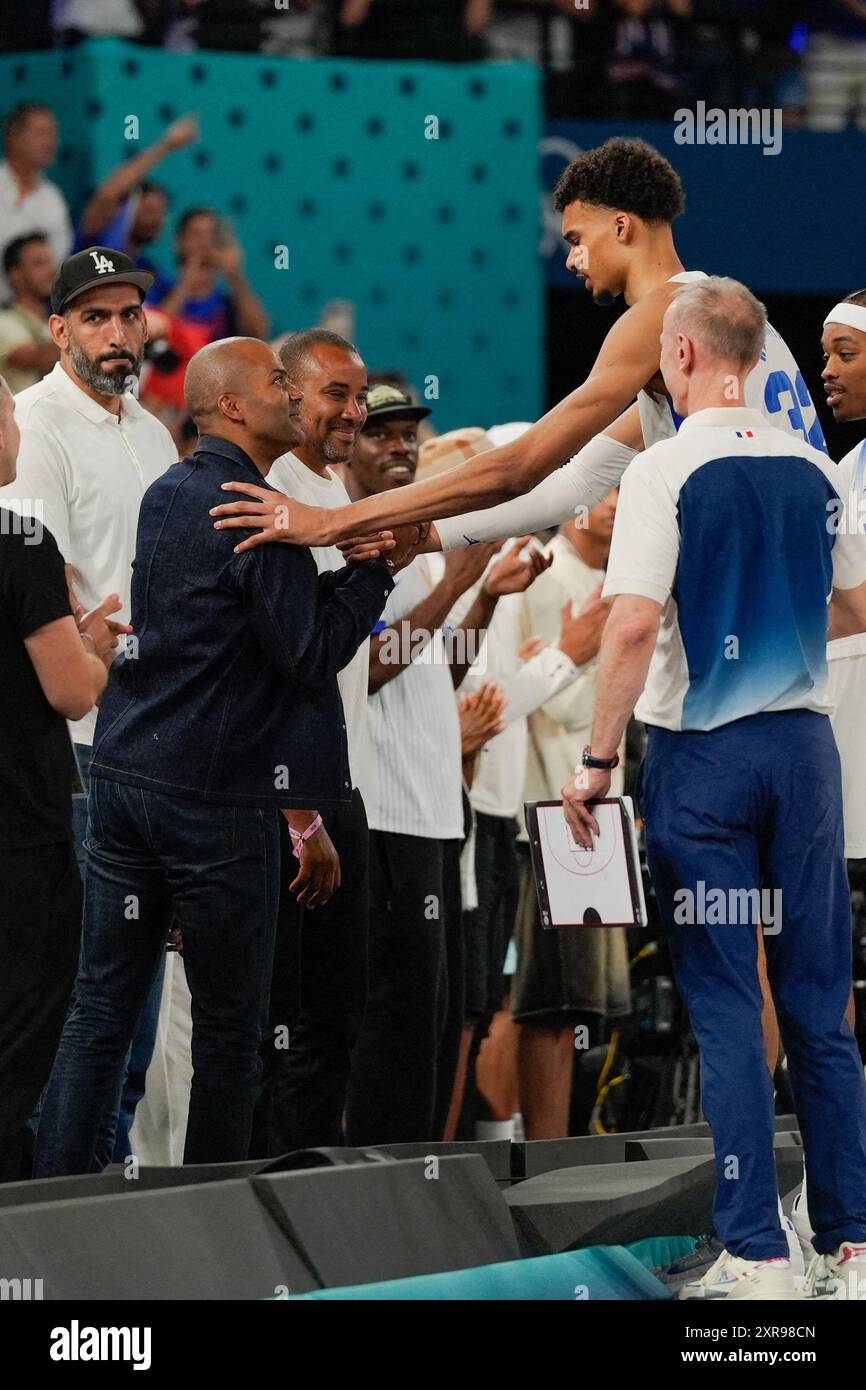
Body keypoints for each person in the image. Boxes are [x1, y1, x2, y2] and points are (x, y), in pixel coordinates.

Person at [564, 276, 866, 1301]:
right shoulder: (813, 466)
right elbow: (855, 604)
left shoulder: (666, 469)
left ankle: (756, 1252)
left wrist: (597, 761)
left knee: (731, 1008)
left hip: (703, 765)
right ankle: (852, 1248)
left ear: (681, 355)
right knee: (821, 1013)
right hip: (805, 757)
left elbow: (633, 624)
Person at [34, 336, 399, 1176]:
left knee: (100, 1008)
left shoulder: (168, 487)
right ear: (234, 405)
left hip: (127, 776)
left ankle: (49, 1211)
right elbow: (306, 654)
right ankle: (214, 1217)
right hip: (213, 795)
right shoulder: (252, 505)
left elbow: (254, 630)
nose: (296, 395)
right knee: (235, 1027)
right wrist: (372, 574)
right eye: (280, 382)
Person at [207, 136, 827, 554]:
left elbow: (517, 468)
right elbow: (574, 484)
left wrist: (335, 519)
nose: (573, 258)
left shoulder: (662, 317)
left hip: (783, 581)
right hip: (812, 574)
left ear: (622, 226)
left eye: (577, 237)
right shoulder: (727, 322)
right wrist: (431, 537)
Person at [0, 245, 178, 1164]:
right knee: (80, 998)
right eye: (96, 318)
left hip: (152, 743)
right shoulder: (30, 424)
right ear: (59, 327)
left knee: (133, 1003)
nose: (119, 333)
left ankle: (103, 1186)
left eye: (130, 314)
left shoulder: (150, 433)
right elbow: (44, 582)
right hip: (74, 750)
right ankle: (57, 1209)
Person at [341, 386, 551, 1143]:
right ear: (347, 445)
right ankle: (375, 1196)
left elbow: (439, 669)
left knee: (438, 1025)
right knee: (390, 1029)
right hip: (382, 809)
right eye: (382, 436)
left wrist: (482, 598)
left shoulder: (421, 547)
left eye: (408, 436)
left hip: (435, 813)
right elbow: (367, 667)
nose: (399, 448)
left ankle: (422, 1192)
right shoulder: (349, 540)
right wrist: (462, 583)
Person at [0, 373, 118, 1182]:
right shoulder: (21, 540)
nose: (15, 425)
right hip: (23, 834)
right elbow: (72, 691)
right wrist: (97, 651)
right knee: (19, 1047)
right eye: (5, 411)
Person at [511, 488, 632, 1139]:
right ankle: (544, 1154)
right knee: (550, 1002)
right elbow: (550, 701)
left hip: (600, 812)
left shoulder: (621, 578)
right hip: (553, 812)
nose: (615, 502)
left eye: (624, 487)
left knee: (590, 1003)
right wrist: (595, 666)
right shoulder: (544, 573)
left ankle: (569, 1150)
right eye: (602, 488)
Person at [75, 113, 199, 292]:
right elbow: (107, 195)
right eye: (150, 210)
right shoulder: (95, 247)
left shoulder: (149, 272)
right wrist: (166, 146)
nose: (157, 220)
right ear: (126, 211)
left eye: (162, 213)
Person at [0, 103, 71, 303]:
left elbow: (58, 264)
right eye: (41, 133)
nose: (51, 143)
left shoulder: (53, 199)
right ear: (12, 137)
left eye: (53, 134)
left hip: (31, 315)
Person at [0, 234, 58, 393]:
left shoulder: (53, 323)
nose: (51, 271)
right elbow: (37, 359)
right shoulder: (4, 322)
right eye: (39, 264)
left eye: (50, 262)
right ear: (15, 275)